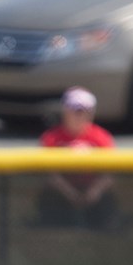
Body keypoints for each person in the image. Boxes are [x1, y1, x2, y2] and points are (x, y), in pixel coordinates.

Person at [36, 86, 121, 230]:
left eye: (83, 111)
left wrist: (94, 192)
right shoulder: (51, 138)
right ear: (65, 111)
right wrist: (70, 194)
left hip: (94, 193)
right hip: (60, 194)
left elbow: (111, 172)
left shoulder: (101, 137)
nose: (79, 115)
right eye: (75, 110)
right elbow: (47, 173)